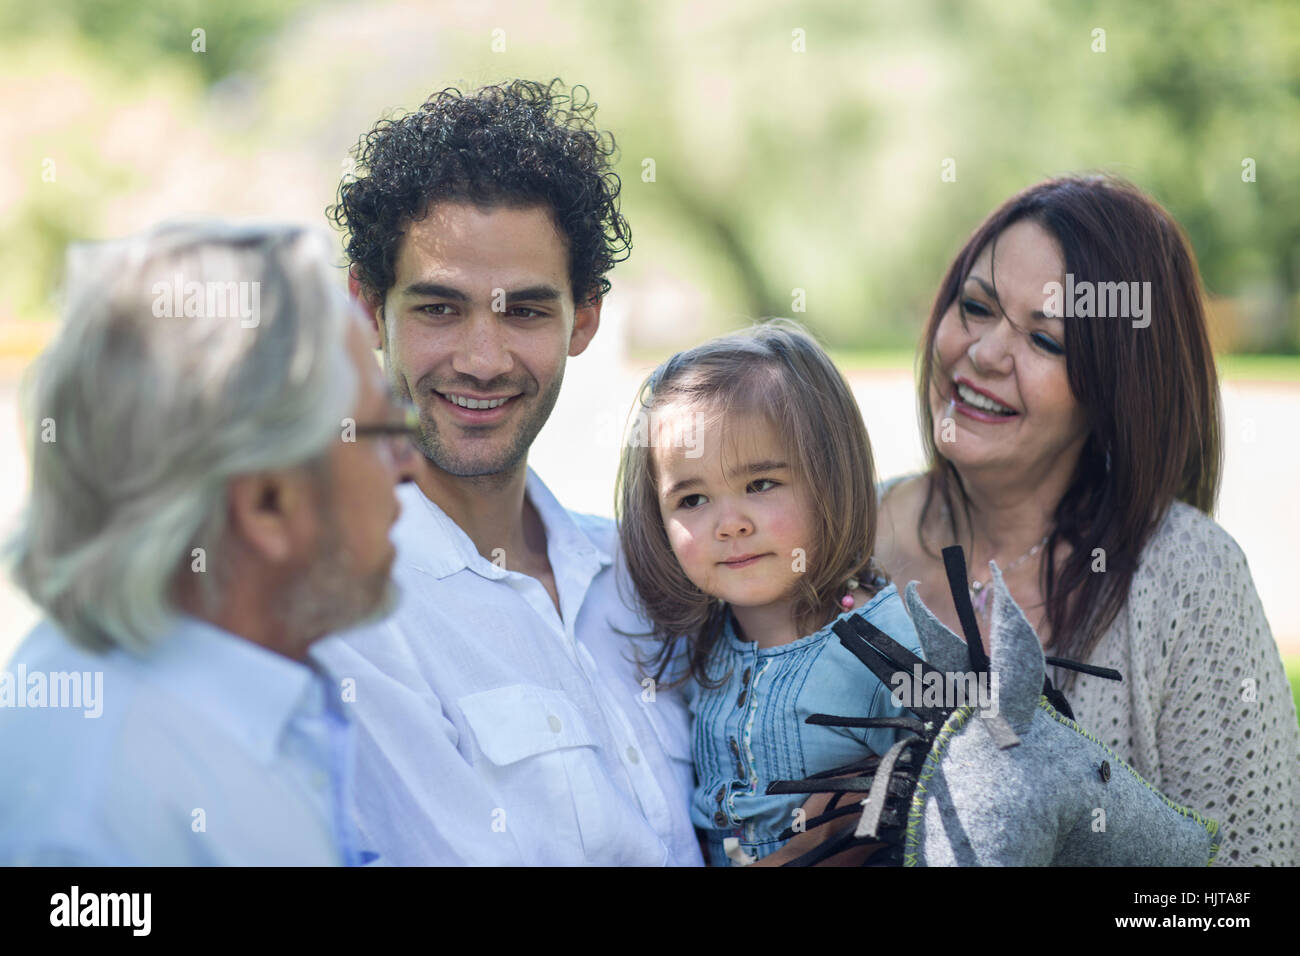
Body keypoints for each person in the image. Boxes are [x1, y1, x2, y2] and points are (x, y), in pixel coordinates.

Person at [314, 78, 701, 864]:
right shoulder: (349, 616)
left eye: (523, 311)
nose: (483, 361)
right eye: (439, 309)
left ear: (583, 318)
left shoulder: (648, 574)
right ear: (368, 312)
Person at [874, 174, 1300, 865]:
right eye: (976, 307)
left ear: (1114, 392)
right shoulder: (836, 534)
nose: (983, 354)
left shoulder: (1189, 579)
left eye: (1046, 342)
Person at [0, 222, 418, 865]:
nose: (408, 464)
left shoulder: (208, 701)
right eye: (386, 426)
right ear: (267, 504)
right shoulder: (98, 821)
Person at [614, 319, 924, 866]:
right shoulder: (698, 641)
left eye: (760, 485)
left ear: (830, 479)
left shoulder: (883, 648)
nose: (728, 524)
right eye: (691, 500)